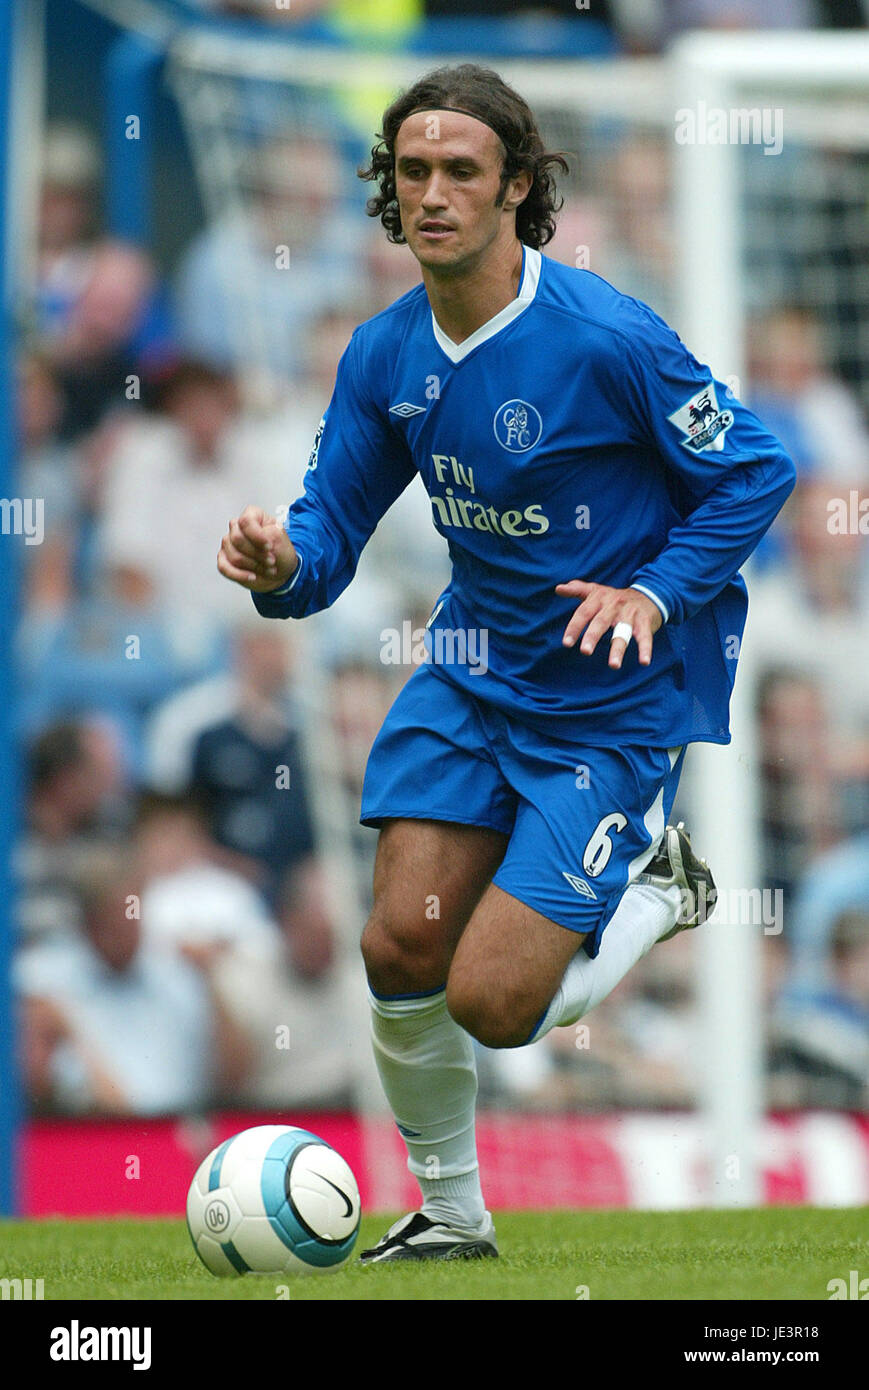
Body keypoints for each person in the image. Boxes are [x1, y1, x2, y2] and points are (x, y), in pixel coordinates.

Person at [217, 63, 796, 1262]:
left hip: (611, 707)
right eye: (411, 170)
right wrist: (280, 560)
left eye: (460, 171)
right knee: (396, 948)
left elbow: (754, 468)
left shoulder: (602, 333)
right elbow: (329, 532)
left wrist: (653, 589)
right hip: (472, 675)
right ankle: (447, 1213)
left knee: (495, 1004)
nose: (431, 192)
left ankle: (660, 891)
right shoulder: (383, 357)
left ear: (515, 187)